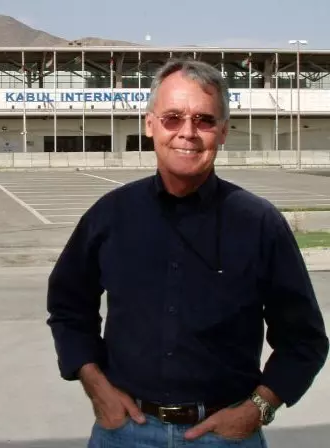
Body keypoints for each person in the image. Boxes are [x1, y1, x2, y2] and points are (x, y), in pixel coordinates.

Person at [46, 58, 329, 447]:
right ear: (150, 125)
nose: (188, 132)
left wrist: (257, 410)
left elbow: (304, 340)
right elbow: (68, 306)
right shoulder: (109, 216)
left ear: (224, 131)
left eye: (204, 120)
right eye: (173, 117)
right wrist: (96, 386)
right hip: (126, 432)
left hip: (226, 436)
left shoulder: (260, 223)